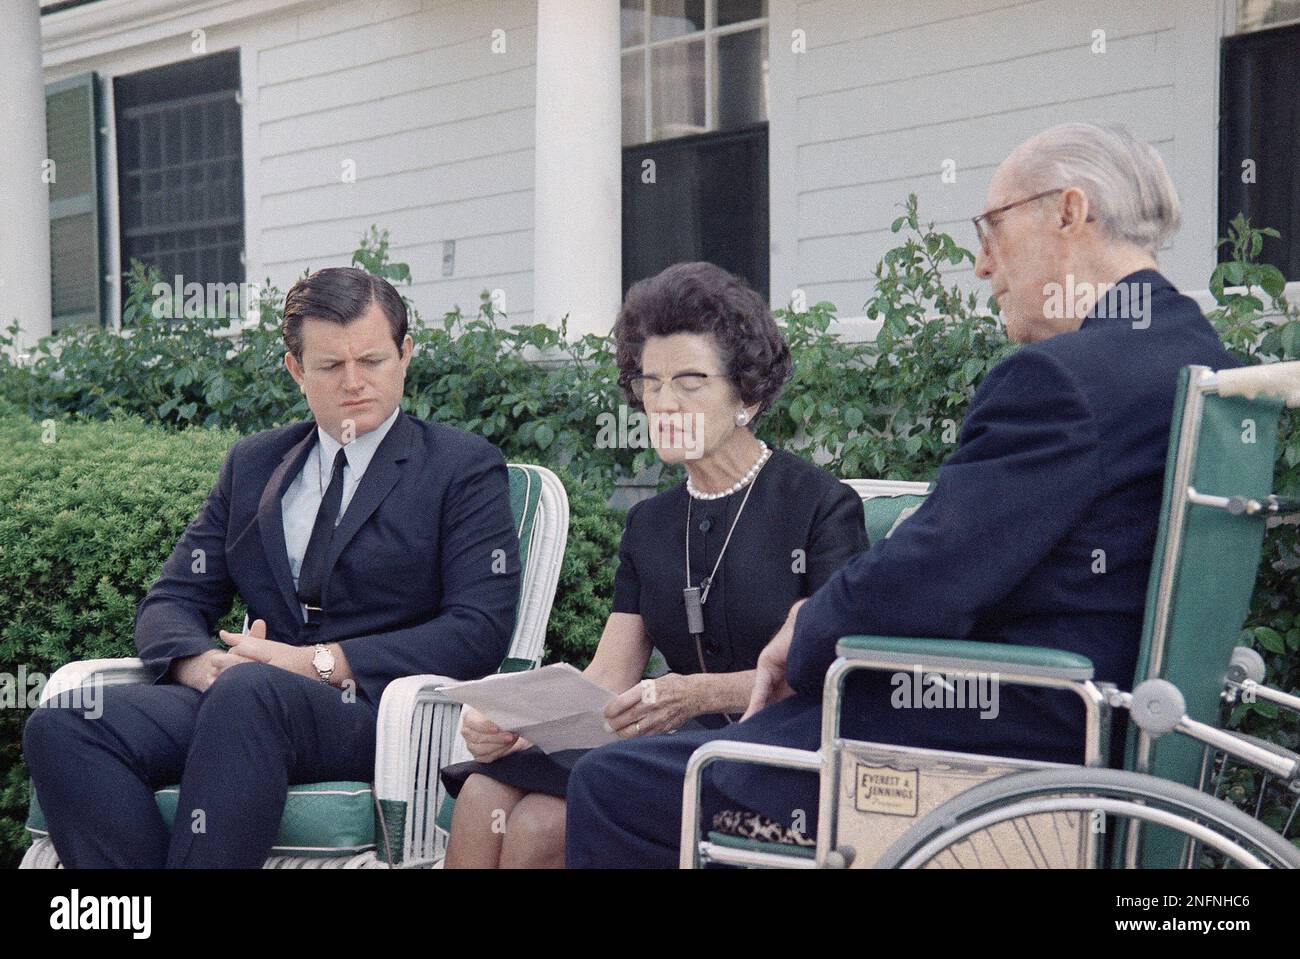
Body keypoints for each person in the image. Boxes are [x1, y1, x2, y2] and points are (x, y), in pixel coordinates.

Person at [564, 122, 1239, 868]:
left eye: (992, 230)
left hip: (988, 751)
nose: (982, 266)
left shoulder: (1063, 379)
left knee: (615, 785)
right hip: (1109, 732)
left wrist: (808, 627)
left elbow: (930, 580)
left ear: (1069, 212)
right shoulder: (1204, 360)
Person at [22, 266, 521, 868]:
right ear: (296, 371)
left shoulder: (460, 467)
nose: (354, 382)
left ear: (406, 355)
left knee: (252, 691)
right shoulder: (255, 464)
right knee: (67, 722)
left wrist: (317, 662)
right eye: (331, 367)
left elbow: (477, 628)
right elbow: (173, 599)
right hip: (244, 702)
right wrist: (199, 665)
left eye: (373, 361)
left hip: (376, 713)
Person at [440, 261, 869, 867]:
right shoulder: (650, 525)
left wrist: (697, 694)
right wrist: (522, 722)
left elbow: (838, 677)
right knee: (482, 790)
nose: (664, 403)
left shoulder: (821, 507)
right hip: (666, 740)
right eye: (651, 382)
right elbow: (612, 675)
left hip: (776, 751)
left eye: (690, 381)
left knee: (538, 823)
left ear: (745, 393)